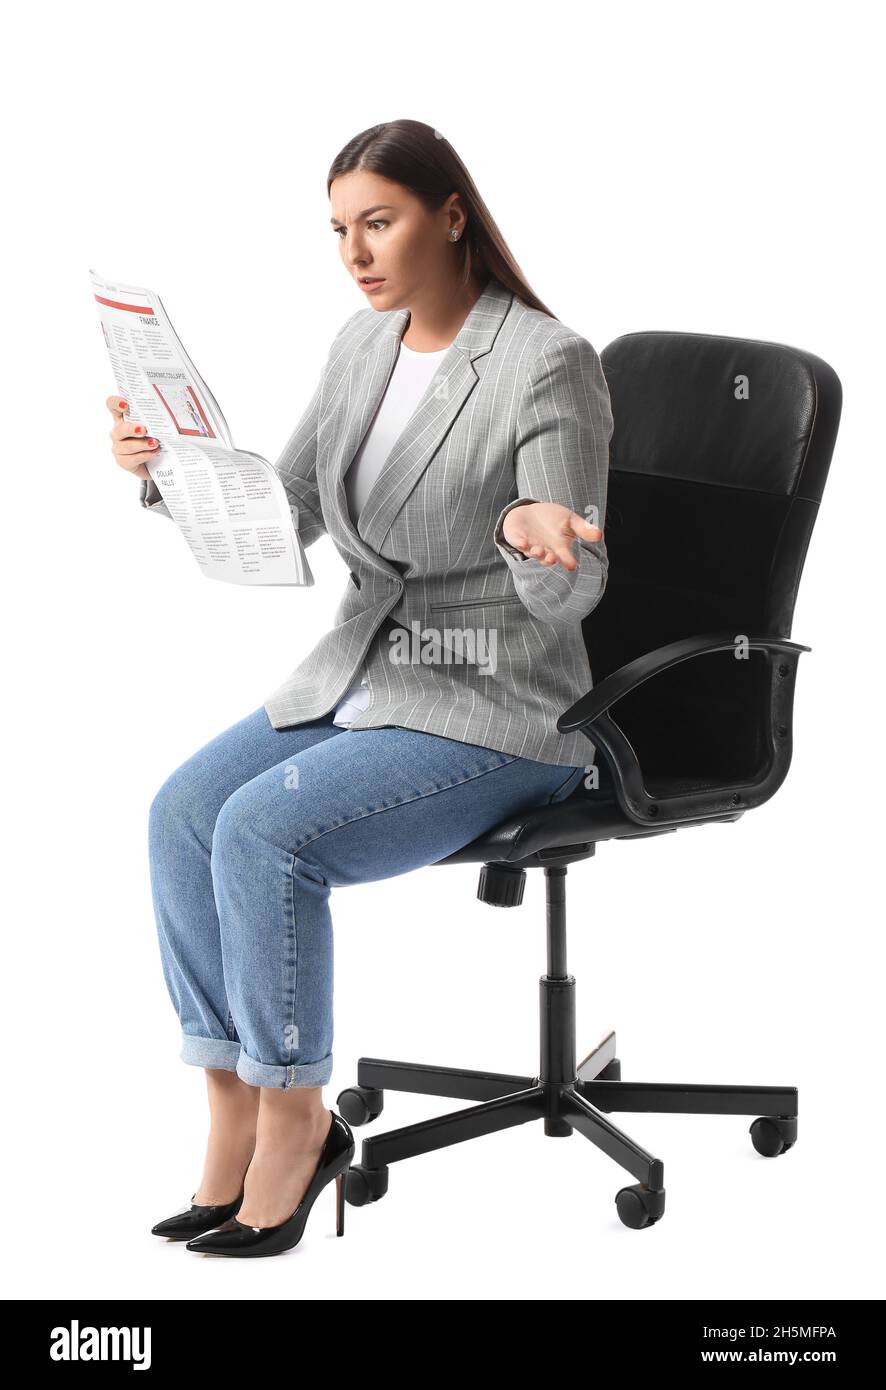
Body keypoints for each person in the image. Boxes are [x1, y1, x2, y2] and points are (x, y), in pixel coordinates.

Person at [106, 118, 613, 1258]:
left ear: (449, 213)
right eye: (338, 229)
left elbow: (575, 593)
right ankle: (232, 1101)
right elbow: (284, 512)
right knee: (183, 813)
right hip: (368, 667)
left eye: (376, 221)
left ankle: (299, 1117)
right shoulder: (359, 344)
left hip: (503, 694)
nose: (355, 251)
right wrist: (169, 477)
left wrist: (539, 538)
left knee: (265, 831)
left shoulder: (544, 360)